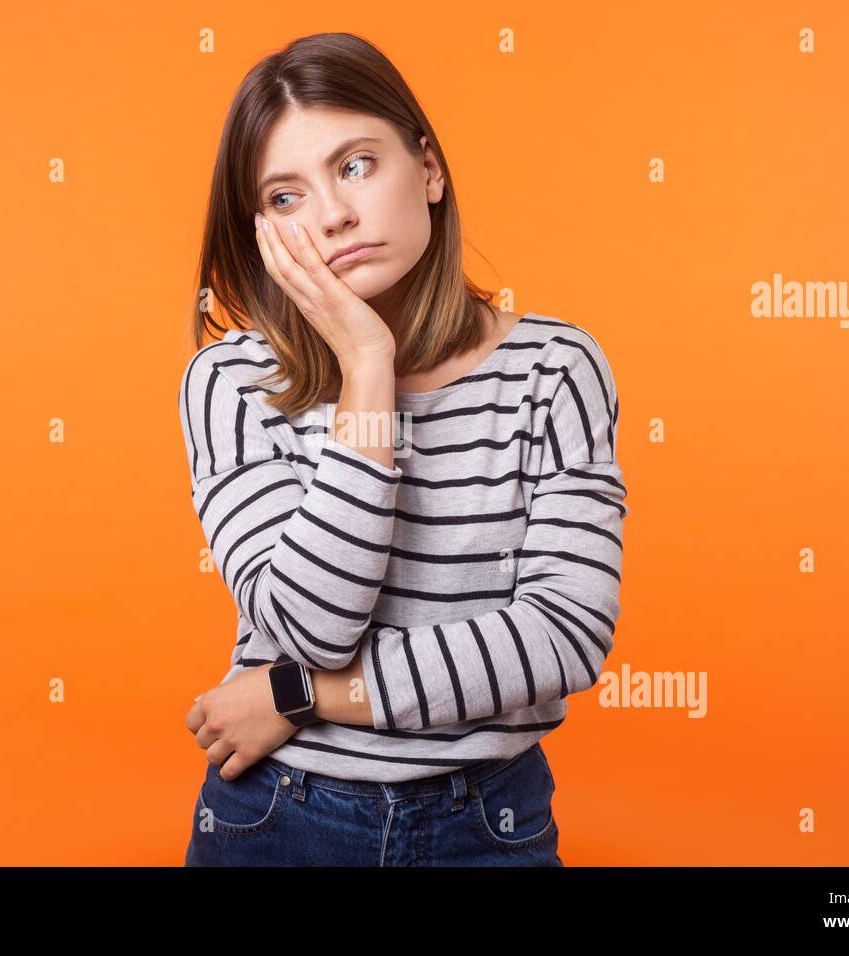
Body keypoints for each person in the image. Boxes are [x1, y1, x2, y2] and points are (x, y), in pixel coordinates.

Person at [177, 32, 628, 866]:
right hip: (278, 815)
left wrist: (293, 693)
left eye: (355, 166)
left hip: (488, 823)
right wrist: (367, 365)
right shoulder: (230, 382)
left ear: (428, 167)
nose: (332, 215)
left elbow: (562, 637)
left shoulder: (556, 369)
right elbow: (311, 625)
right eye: (285, 197)